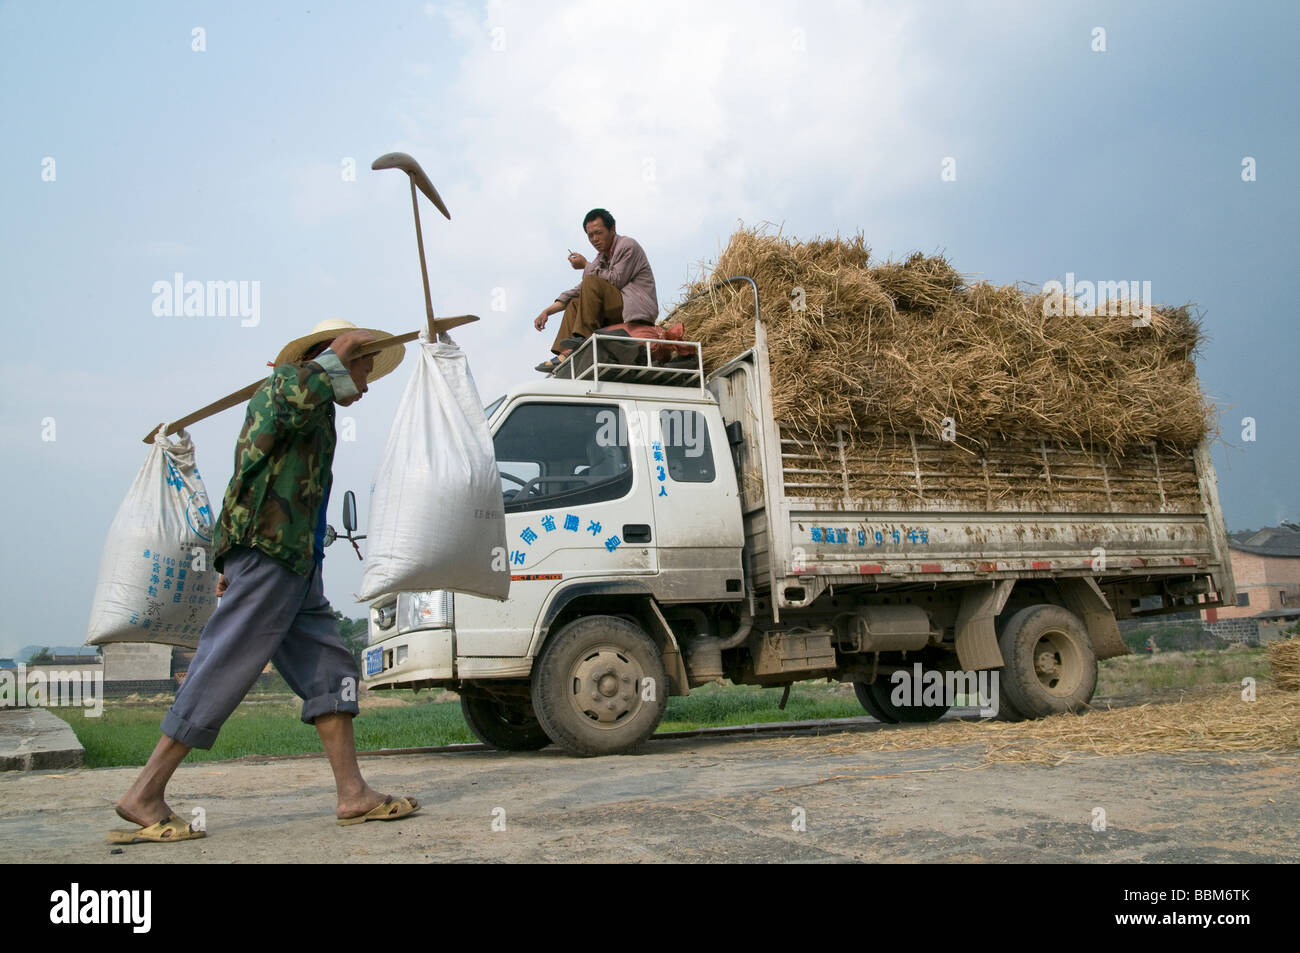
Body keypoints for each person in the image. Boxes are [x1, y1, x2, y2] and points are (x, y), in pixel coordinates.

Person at [109, 319, 420, 844]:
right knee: (224, 664)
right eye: (364, 369)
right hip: (270, 554)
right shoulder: (286, 387)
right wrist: (335, 359)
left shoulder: (317, 406)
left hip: (296, 562)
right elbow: (278, 419)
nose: (366, 385)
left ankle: (352, 794)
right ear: (337, 357)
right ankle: (143, 792)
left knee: (331, 671)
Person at [533, 208, 658, 372]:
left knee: (591, 281)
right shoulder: (600, 259)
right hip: (615, 307)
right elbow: (579, 290)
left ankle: (580, 340)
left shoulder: (627, 246)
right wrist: (547, 311)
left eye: (598, 233)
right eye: (590, 236)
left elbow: (615, 280)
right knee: (575, 302)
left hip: (634, 309)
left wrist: (586, 266)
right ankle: (564, 352)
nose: (594, 239)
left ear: (612, 229)